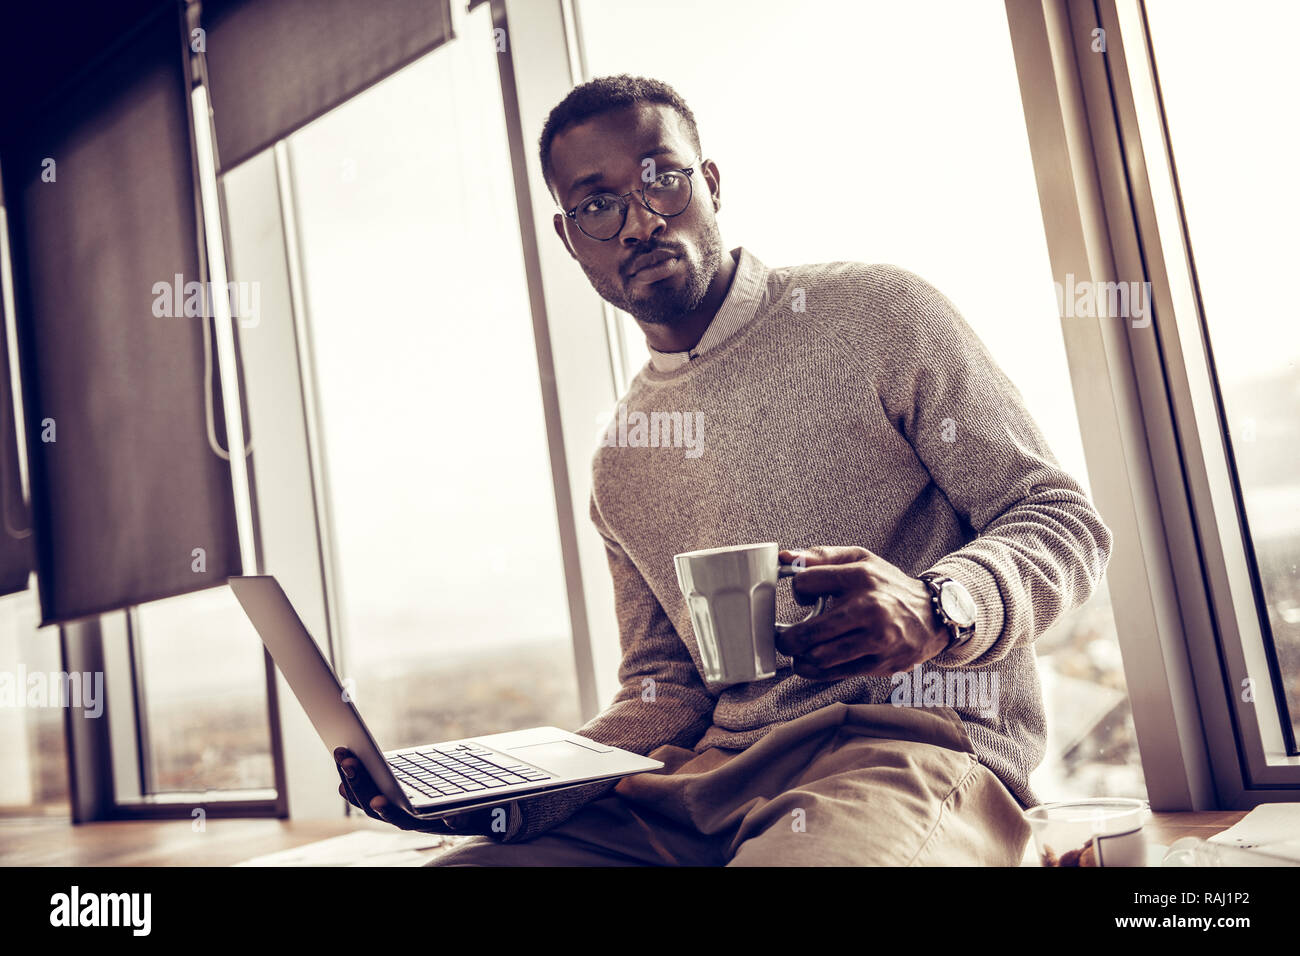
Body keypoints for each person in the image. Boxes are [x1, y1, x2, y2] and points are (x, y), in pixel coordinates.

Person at [335, 74, 1113, 866]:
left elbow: (1059, 518)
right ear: (572, 240)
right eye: (597, 204)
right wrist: (497, 799)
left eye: (660, 179)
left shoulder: (880, 314)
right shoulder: (621, 460)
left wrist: (941, 605)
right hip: (702, 786)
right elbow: (661, 693)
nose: (639, 220)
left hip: (910, 750)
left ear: (708, 184)